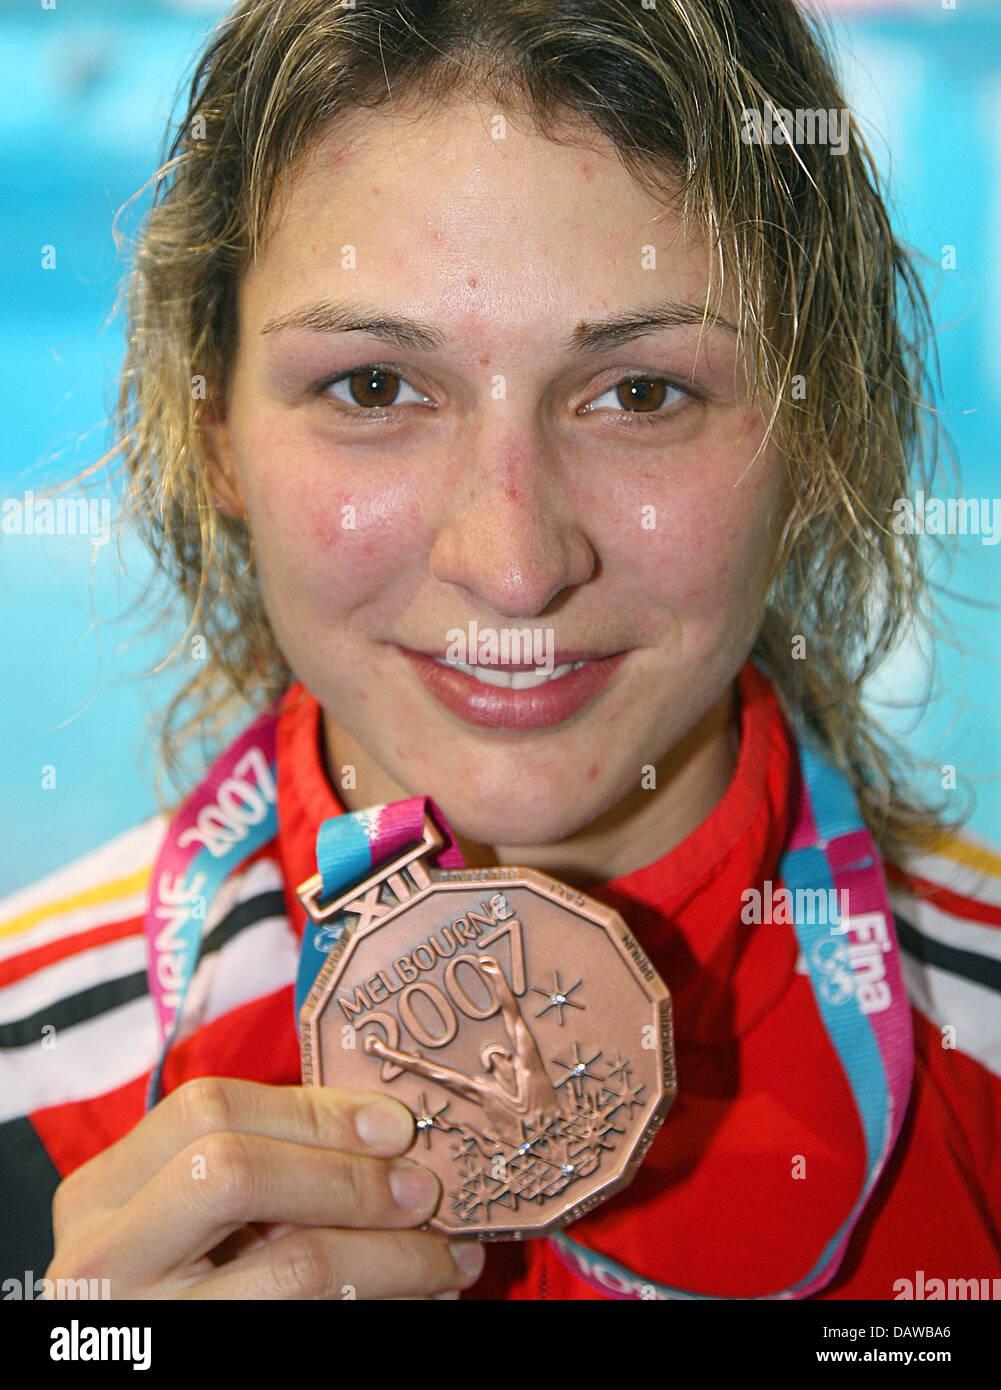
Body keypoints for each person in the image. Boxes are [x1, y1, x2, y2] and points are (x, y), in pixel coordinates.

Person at [1, 0, 998, 1302]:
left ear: (815, 440)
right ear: (211, 435)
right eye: (375, 387)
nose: (514, 565)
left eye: (640, 392)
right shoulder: (29, 1081)